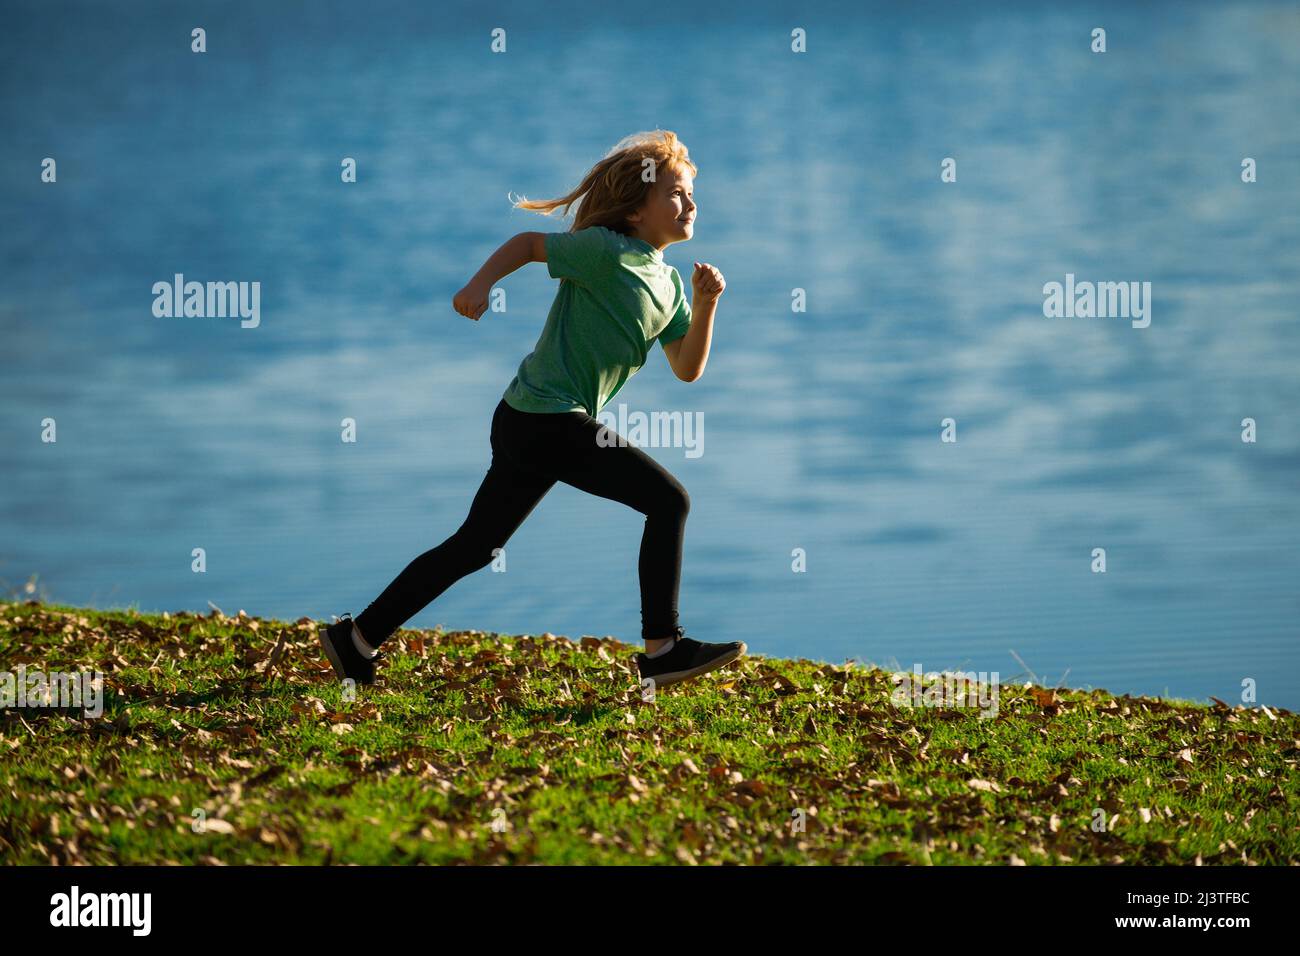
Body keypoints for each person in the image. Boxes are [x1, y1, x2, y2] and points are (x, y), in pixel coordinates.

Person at [319, 129, 745, 691]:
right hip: (547, 419)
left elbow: (687, 368)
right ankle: (662, 649)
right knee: (669, 501)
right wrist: (479, 285)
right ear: (637, 211)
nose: (690, 204)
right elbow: (525, 244)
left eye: (691, 194)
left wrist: (708, 304)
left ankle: (356, 640)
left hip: (530, 420)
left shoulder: (668, 284)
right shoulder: (603, 252)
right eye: (675, 193)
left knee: (476, 545)